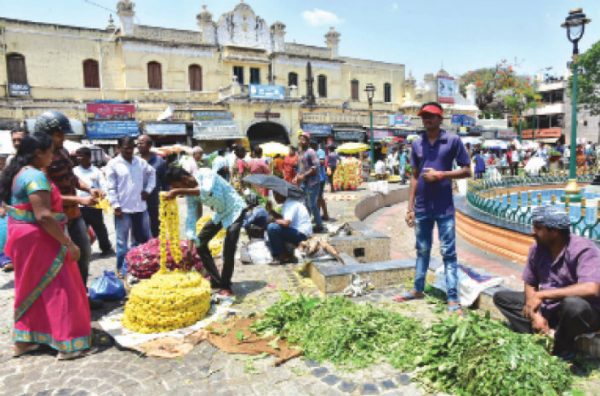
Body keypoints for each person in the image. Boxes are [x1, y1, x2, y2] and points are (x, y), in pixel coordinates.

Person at [1, 133, 91, 360]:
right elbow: (44, 216)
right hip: (40, 238)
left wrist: (79, 200)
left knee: (31, 287)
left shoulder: (19, 173)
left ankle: (26, 340)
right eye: (50, 152)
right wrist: (69, 243)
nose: (53, 156)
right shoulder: (35, 177)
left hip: (23, 237)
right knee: (60, 286)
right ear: (38, 153)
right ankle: (66, 343)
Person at [494, 206, 600, 359]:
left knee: (573, 306)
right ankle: (545, 331)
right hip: (550, 309)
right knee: (502, 298)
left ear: (554, 232)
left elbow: (592, 288)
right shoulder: (537, 248)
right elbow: (530, 283)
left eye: (538, 228)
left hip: (583, 312)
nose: (533, 232)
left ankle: (560, 346)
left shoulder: (583, 249)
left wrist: (543, 294)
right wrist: (536, 315)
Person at [399, 102, 471, 313]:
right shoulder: (417, 143)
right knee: (422, 249)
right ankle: (418, 289)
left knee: (448, 252)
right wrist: (409, 208)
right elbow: (413, 177)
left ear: (440, 118)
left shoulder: (452, 140)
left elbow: (467, 170)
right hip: (422, 207)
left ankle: (452, 298)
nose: (427, 120)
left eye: (431, 116)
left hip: (444, 207)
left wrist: (442, 175)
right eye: (424, 116)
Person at [36, 111, 101, 305]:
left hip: (75, 215)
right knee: (63, 263)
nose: (63, 138)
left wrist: (89, 187)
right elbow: (47, 196)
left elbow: (72, 178)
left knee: (84, 254)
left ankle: (81, 295)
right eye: (59, 134)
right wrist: (80, 199)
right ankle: (66, 303)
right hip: (56, 221)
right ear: (47, 135)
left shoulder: (63, 152)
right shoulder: (41, 160)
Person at [165, 167, 247, 297]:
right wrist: (189, 249)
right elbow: (191, 219)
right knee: (200, 244)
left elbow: (206, 191)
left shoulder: (205, 173)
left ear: (184, 180)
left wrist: (177, 191)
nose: (179, 193)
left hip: (235, 210)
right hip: (220, 214)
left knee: (229, 248)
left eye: (176, 186)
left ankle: (226, 286)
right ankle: (216, 280)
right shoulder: (190, 195)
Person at [105, 137, 155, 276]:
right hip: (123, 209)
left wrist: (148, 190)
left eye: (131, 147)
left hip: (140, 208)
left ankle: (142, 266)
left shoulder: (140, 162)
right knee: (122, 242)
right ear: (119, 148)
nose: (129, 150)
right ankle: (121, 268)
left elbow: (152, 174)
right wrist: (115, 205)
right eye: (126, 148)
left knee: (143, 239)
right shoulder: (113, 164)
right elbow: (110, 187)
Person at [73, 147, 113, 256]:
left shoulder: (96, 171)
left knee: (99, 228)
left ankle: (106, 248)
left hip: (94, 205)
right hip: (80, 205)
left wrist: (104, 195)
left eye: (81, 156)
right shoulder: (74, 171)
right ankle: (84, 251)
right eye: (77, 156)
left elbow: (104, 185)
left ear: (89, 157)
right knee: (81, 231)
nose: (79, 158)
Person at [265, 190, 312, 264]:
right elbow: (283, 219)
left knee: (272, 227)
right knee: (273, 227)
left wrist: (274, 220)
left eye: (276, 195)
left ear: (282, 194)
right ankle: (285, 253)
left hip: (302, 234)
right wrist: (271, 211)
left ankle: (281, 256)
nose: (275, 198)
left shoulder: (290, 204)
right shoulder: (288, 203)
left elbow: (286, 223)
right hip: (297, 231)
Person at [137, 135, 167, 238]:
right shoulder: (134, 161)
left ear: (149, 145)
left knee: (155, 227)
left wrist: (166, 202)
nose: (139, 145)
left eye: (142, 143)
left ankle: (156, 249)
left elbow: (165, 183)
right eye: (138, 143)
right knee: (139, 228)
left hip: (154, 202)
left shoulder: (160, 162)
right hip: (136, 201)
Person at [296, 132, 324, 233]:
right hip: (304, 182)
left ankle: (319, 225)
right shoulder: (300, 153)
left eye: (304, 139)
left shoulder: (311, 152)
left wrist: (304, 175)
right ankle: (306, 224)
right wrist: (297, 176)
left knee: (312, 204)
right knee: (305, 204)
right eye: (300, 139)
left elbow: (315, 168)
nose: (301, 141)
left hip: (313, 182)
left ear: (308, 141)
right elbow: (300, 167)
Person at [317, 149, 330, 221]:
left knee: (319, 197)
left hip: (320, 178)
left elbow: (322, 162)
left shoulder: (320, 151)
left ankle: (324, 215)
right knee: (318, 198)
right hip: (315, 179)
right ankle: (322, 214)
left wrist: (312, 160)